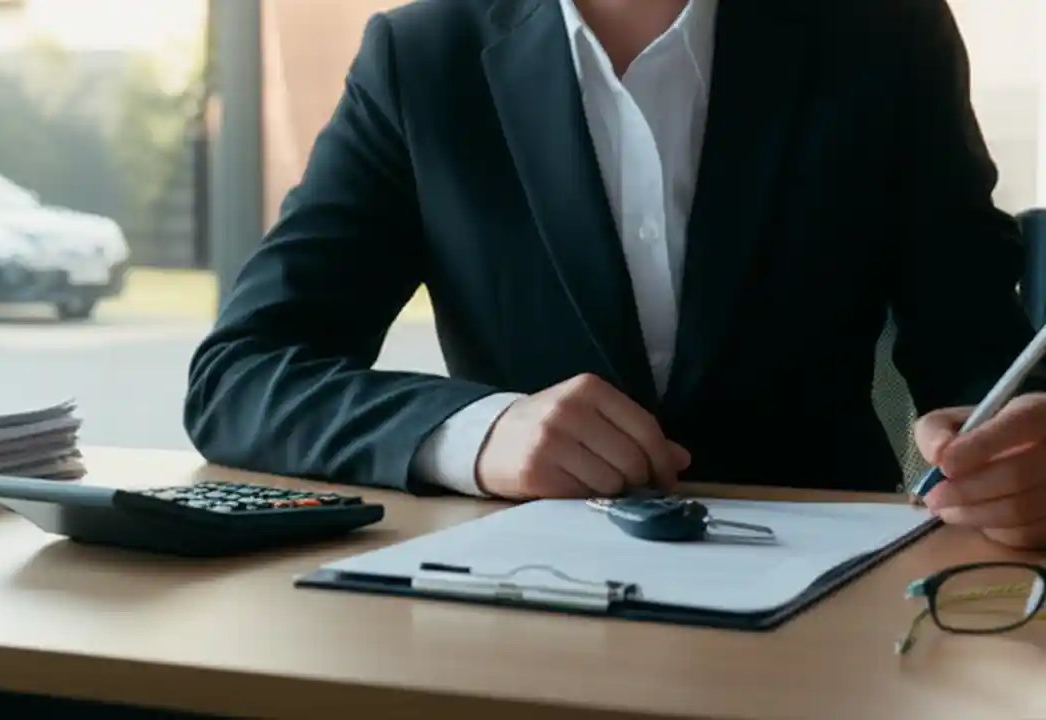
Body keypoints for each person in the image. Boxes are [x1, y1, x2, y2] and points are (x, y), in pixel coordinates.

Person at [185, 0, 1046, 550]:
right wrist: (483, 435)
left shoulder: (885, 35)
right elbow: (242, 377)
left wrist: (1018, 452)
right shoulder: (423, 56)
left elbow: (979, 353)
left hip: (830, 608)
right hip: (524, 593)